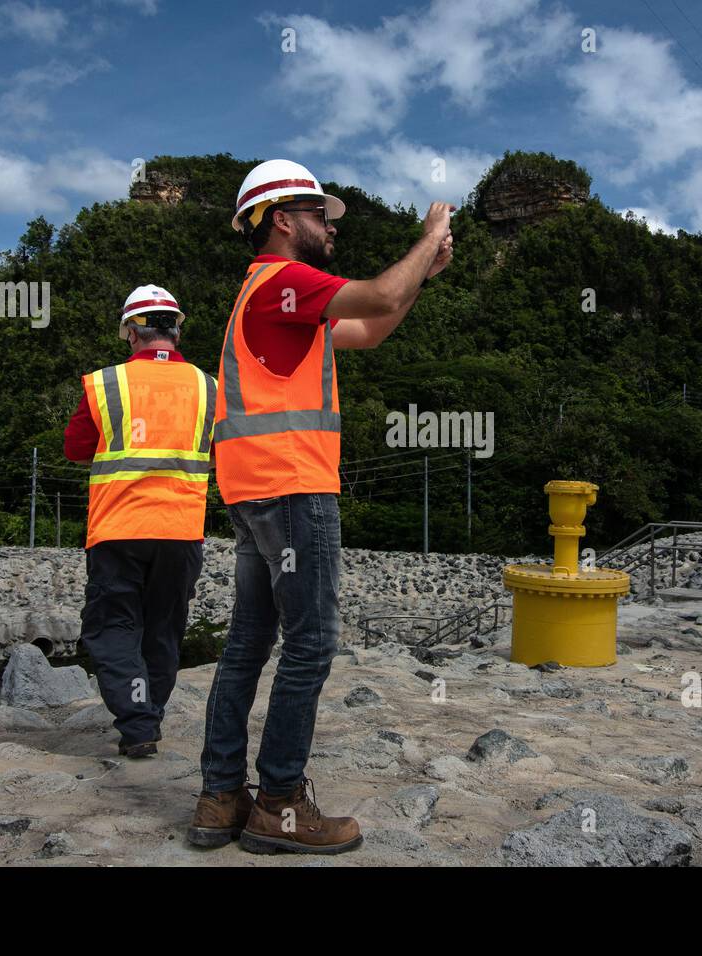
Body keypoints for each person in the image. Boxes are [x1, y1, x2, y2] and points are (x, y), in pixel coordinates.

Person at [188, 159, 454, 854]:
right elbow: (376, 291)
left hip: (253, 491)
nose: (332, 228)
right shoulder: (284, 281)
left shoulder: (269, 298)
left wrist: (420, 281)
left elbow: (371, 327)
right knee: (310, 643)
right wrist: (429, 238)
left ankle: (221, 798)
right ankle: (279, 804)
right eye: (320, 216)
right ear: (282, 219)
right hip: (292, 487)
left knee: (249, 643)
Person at [64, 285, 215, 757]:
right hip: (181, 529)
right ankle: (148, 715)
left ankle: (138, 723)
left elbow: (74, 449)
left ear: (132, 332)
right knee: (164, 628)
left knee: (112, 627)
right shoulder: (209, 386)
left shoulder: (105, 384)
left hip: (118, 529)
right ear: (176, 328)